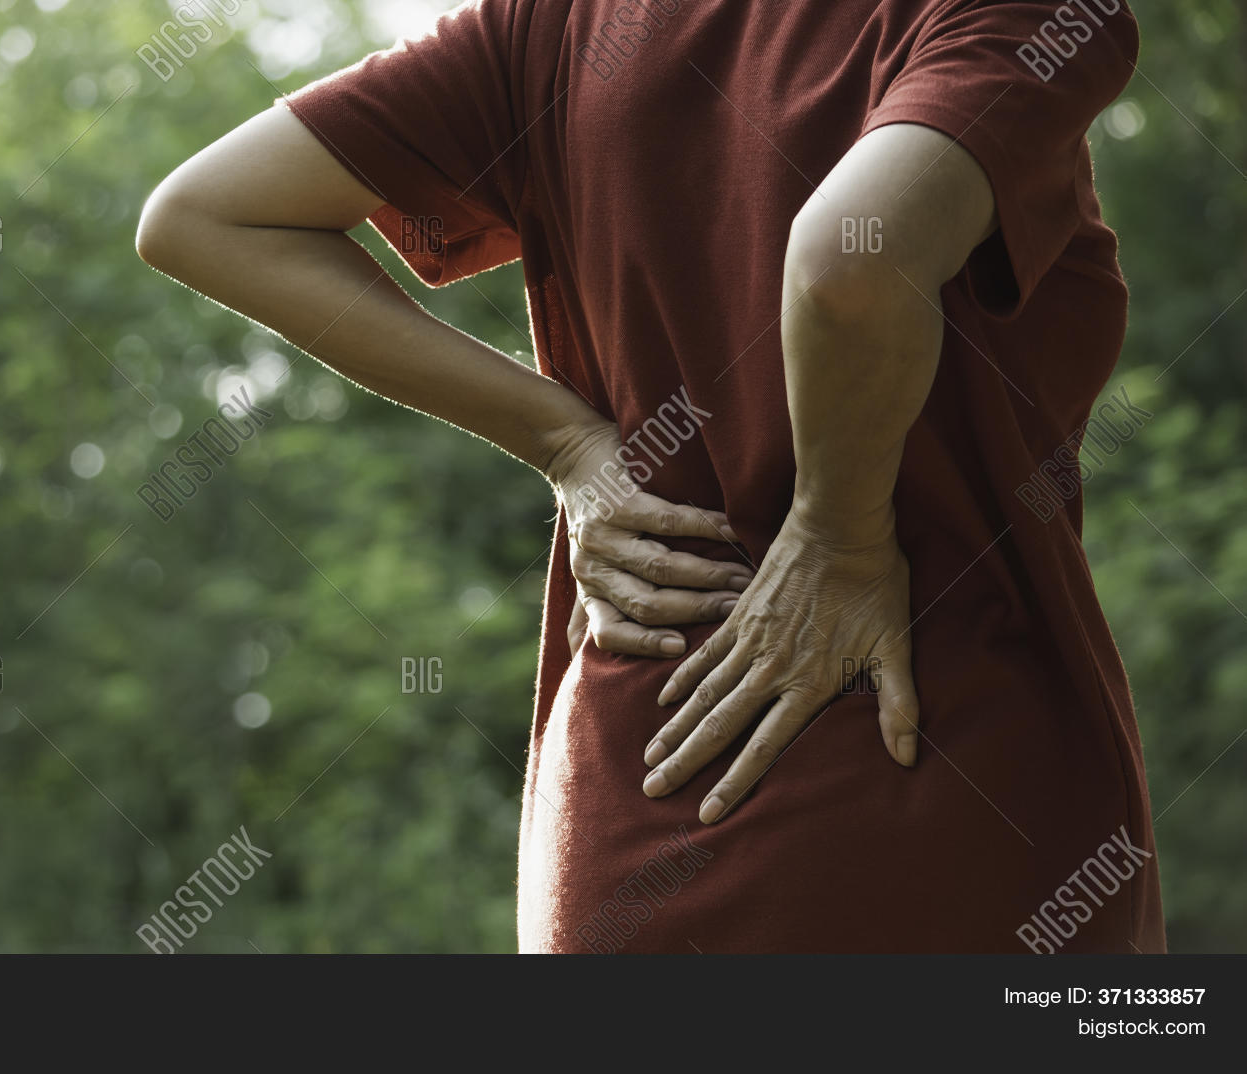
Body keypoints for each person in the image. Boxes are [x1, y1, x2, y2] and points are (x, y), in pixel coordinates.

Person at [136, 0, 1165, 953]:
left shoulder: (555, 25)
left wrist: (566, 441)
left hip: (631, 792)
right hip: (935, 773)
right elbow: (851, 264)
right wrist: (839, 537)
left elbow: (203, 214)